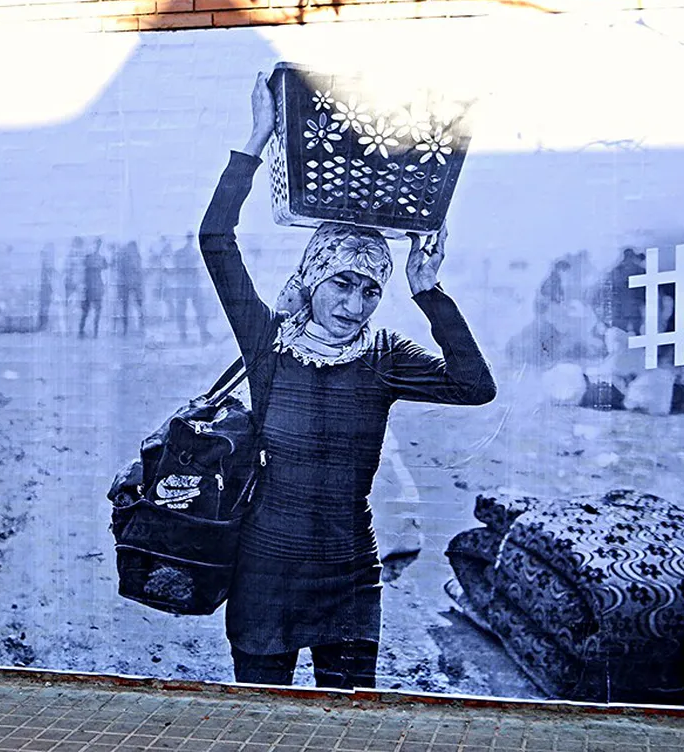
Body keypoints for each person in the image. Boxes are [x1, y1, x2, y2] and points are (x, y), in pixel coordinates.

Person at [198, 73, 497, 690]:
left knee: (351, 717)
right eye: (342, 283)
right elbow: (215, 240)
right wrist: (256, 139)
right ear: (313, 277)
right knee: (262, 717)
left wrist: (428, 291)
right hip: (266, 569)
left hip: (350, 570)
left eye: (370, 290)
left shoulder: (385, 355)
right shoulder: (269, 342)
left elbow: (475, 387)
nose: (355, 303)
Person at [172, 231, 210, 343]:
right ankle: (189, 334)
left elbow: (176, 268)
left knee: (196, 310)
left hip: (187, 285)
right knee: (196, 310)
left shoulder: (182, 253)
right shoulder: (193, 253)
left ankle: (193, 334)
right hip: (190, 285)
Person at [79, 238, 107, 338]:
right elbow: (105, 267)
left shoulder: (88, 258)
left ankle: (82, 331)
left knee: (86, 311)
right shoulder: (101, 259)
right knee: (96, 311)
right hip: (97, 287)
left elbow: (85, 273)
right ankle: (95, 332)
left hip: (90, 287)